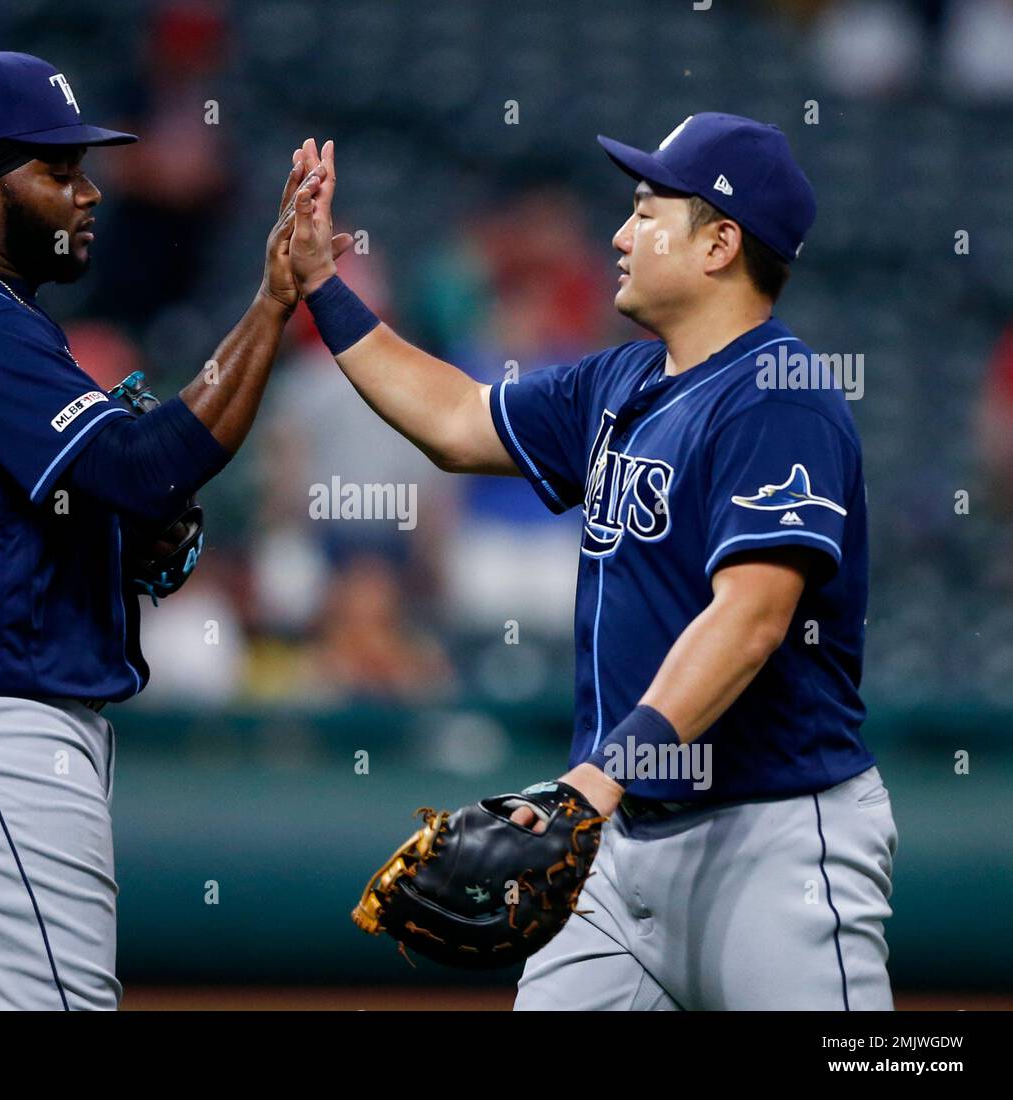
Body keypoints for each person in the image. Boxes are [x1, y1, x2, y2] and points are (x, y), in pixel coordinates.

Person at [288, 117, 897, 1010]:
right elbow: (458, 421)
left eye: (648, 212)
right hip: (619, 849)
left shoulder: (780, 395)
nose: (619, 234)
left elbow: (753, 617)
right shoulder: (619, 382)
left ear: (721, 243)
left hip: (773, 840)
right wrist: (322, 287)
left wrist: (594, 783)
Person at [0, 48, 340, 1010]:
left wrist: (98, 536)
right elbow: (144, 472)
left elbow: (26, 505)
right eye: (57, 173)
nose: (88, 193)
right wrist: (273, 302)